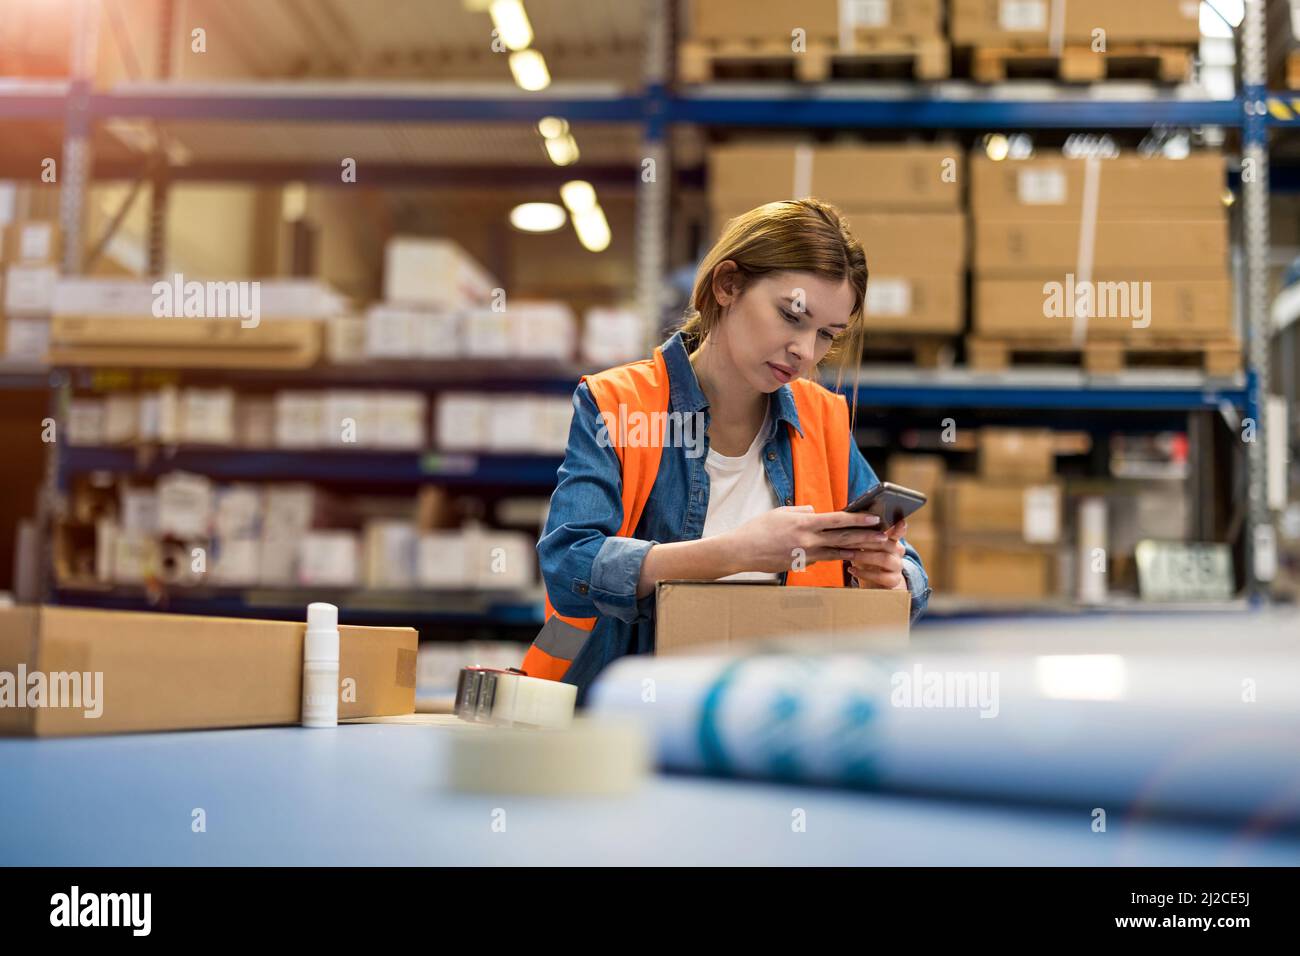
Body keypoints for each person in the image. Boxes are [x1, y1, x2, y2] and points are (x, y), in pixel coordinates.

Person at [523, 198, 930, 701]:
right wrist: (735, 552)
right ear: (728, 284)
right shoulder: (618, 405)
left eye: (827, 334)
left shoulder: (821, 418)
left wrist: (891, 577)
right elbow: (570, 565)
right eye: (792, 315)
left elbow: (909, 569)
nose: (805, 350)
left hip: (770, 714)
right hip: (623, 715)